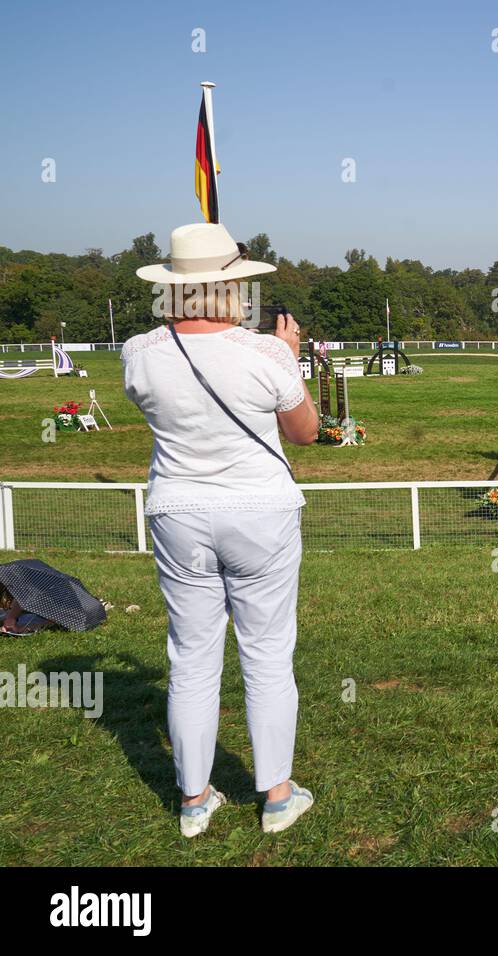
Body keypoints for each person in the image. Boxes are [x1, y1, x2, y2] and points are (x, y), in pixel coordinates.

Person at [124, 222, 319, 838]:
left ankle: (193, 800)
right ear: (232, 287)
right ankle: (277, 796)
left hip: (178, 512)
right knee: (265, 653)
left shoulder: (138, 353)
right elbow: (306, 432)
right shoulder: (265, 353)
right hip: (260, 511)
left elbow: (164, 406)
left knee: (192, 658)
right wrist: (288, 358)